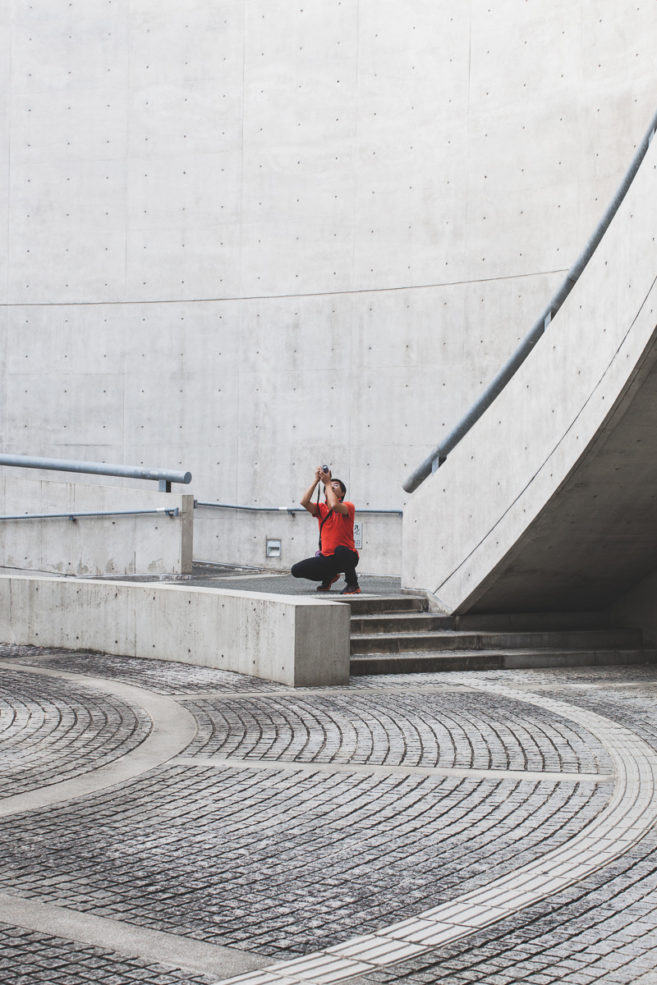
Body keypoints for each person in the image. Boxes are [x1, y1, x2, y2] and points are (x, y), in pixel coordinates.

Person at [291, 466, 360, 594]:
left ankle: (353, 585)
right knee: (295, 570)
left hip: (347, 557)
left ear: (343, 493)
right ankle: (329, 577)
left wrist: (328, 482)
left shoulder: (348, 507)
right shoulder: (321, 509)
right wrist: (316, 480)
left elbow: (334, 505)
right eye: (330, 485)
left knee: (340, 549)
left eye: (336, 485)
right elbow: (304, 502)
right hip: (327, 559)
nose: (333, 486)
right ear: (325, 492)